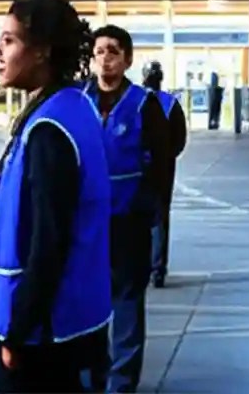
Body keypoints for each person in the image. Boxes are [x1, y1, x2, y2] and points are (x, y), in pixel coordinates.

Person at [0, 0, 112, 393]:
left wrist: (18, 330)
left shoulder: (49, 130)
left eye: (9, 40)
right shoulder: (74, 106)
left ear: (41, 51)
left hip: (47, 333)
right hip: (75, 318)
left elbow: (49, 241)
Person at [84, 25, 171, 393]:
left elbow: (164, 158)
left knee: (127, 304)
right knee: (88, 302)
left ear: (128, 60)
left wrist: (149, 207)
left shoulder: (144, 103)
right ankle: (91, 376)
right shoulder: (78, 101)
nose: (106, 58)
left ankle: (121, 382)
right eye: (100, 51)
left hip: (128, 223)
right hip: (87, 225)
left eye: (114, 51)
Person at [143, 61, 188, 289]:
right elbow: (180, 138)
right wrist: (167, 156)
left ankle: (143, 263)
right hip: (163, 169)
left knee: (139, 215)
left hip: (139, 168)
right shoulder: (171, 104)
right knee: (160, 216)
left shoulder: (137, 101)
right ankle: (158, 267)